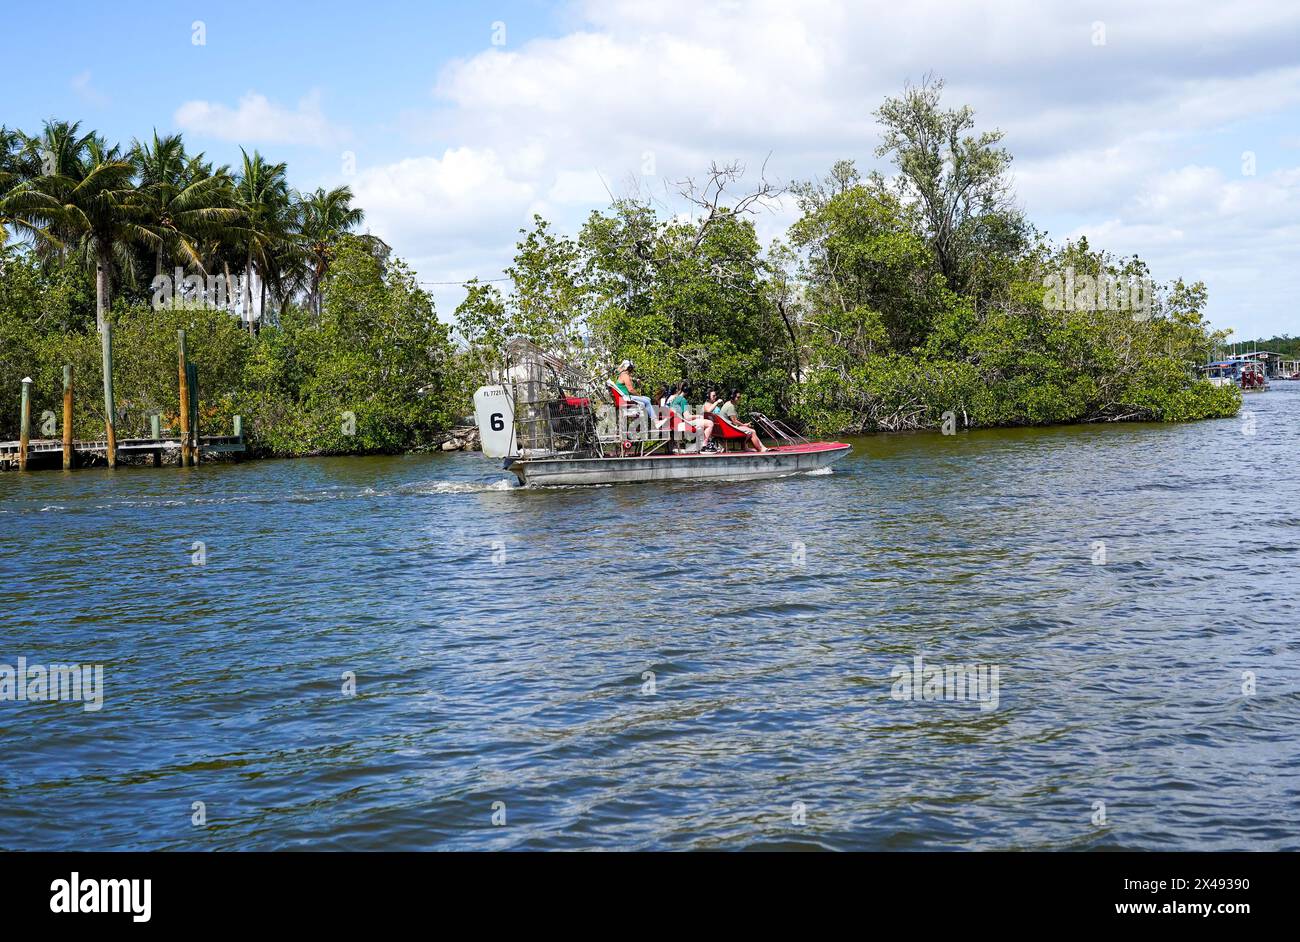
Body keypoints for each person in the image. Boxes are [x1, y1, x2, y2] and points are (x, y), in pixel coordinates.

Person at [669, 381, 715, 451]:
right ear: (687, 390)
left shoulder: (674, 399)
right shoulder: (682, 400)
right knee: (710, 423)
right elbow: (687, 417)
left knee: (700, 425)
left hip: (674, 424)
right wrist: (698, 416)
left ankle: (699, 445)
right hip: (681, 424)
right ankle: (704, 446)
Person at [614, 360, 656, 425]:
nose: (632, 370)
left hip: (625, 397)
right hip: (626, 398)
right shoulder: (625, 376)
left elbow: (630, 379)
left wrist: (635, 380)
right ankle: (655, 421)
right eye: (632, 368)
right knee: (647, 401)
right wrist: (639, 396)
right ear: (629, 368)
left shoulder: (622, 375)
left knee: (648, 399)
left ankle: (648, 421)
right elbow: (631, 390)